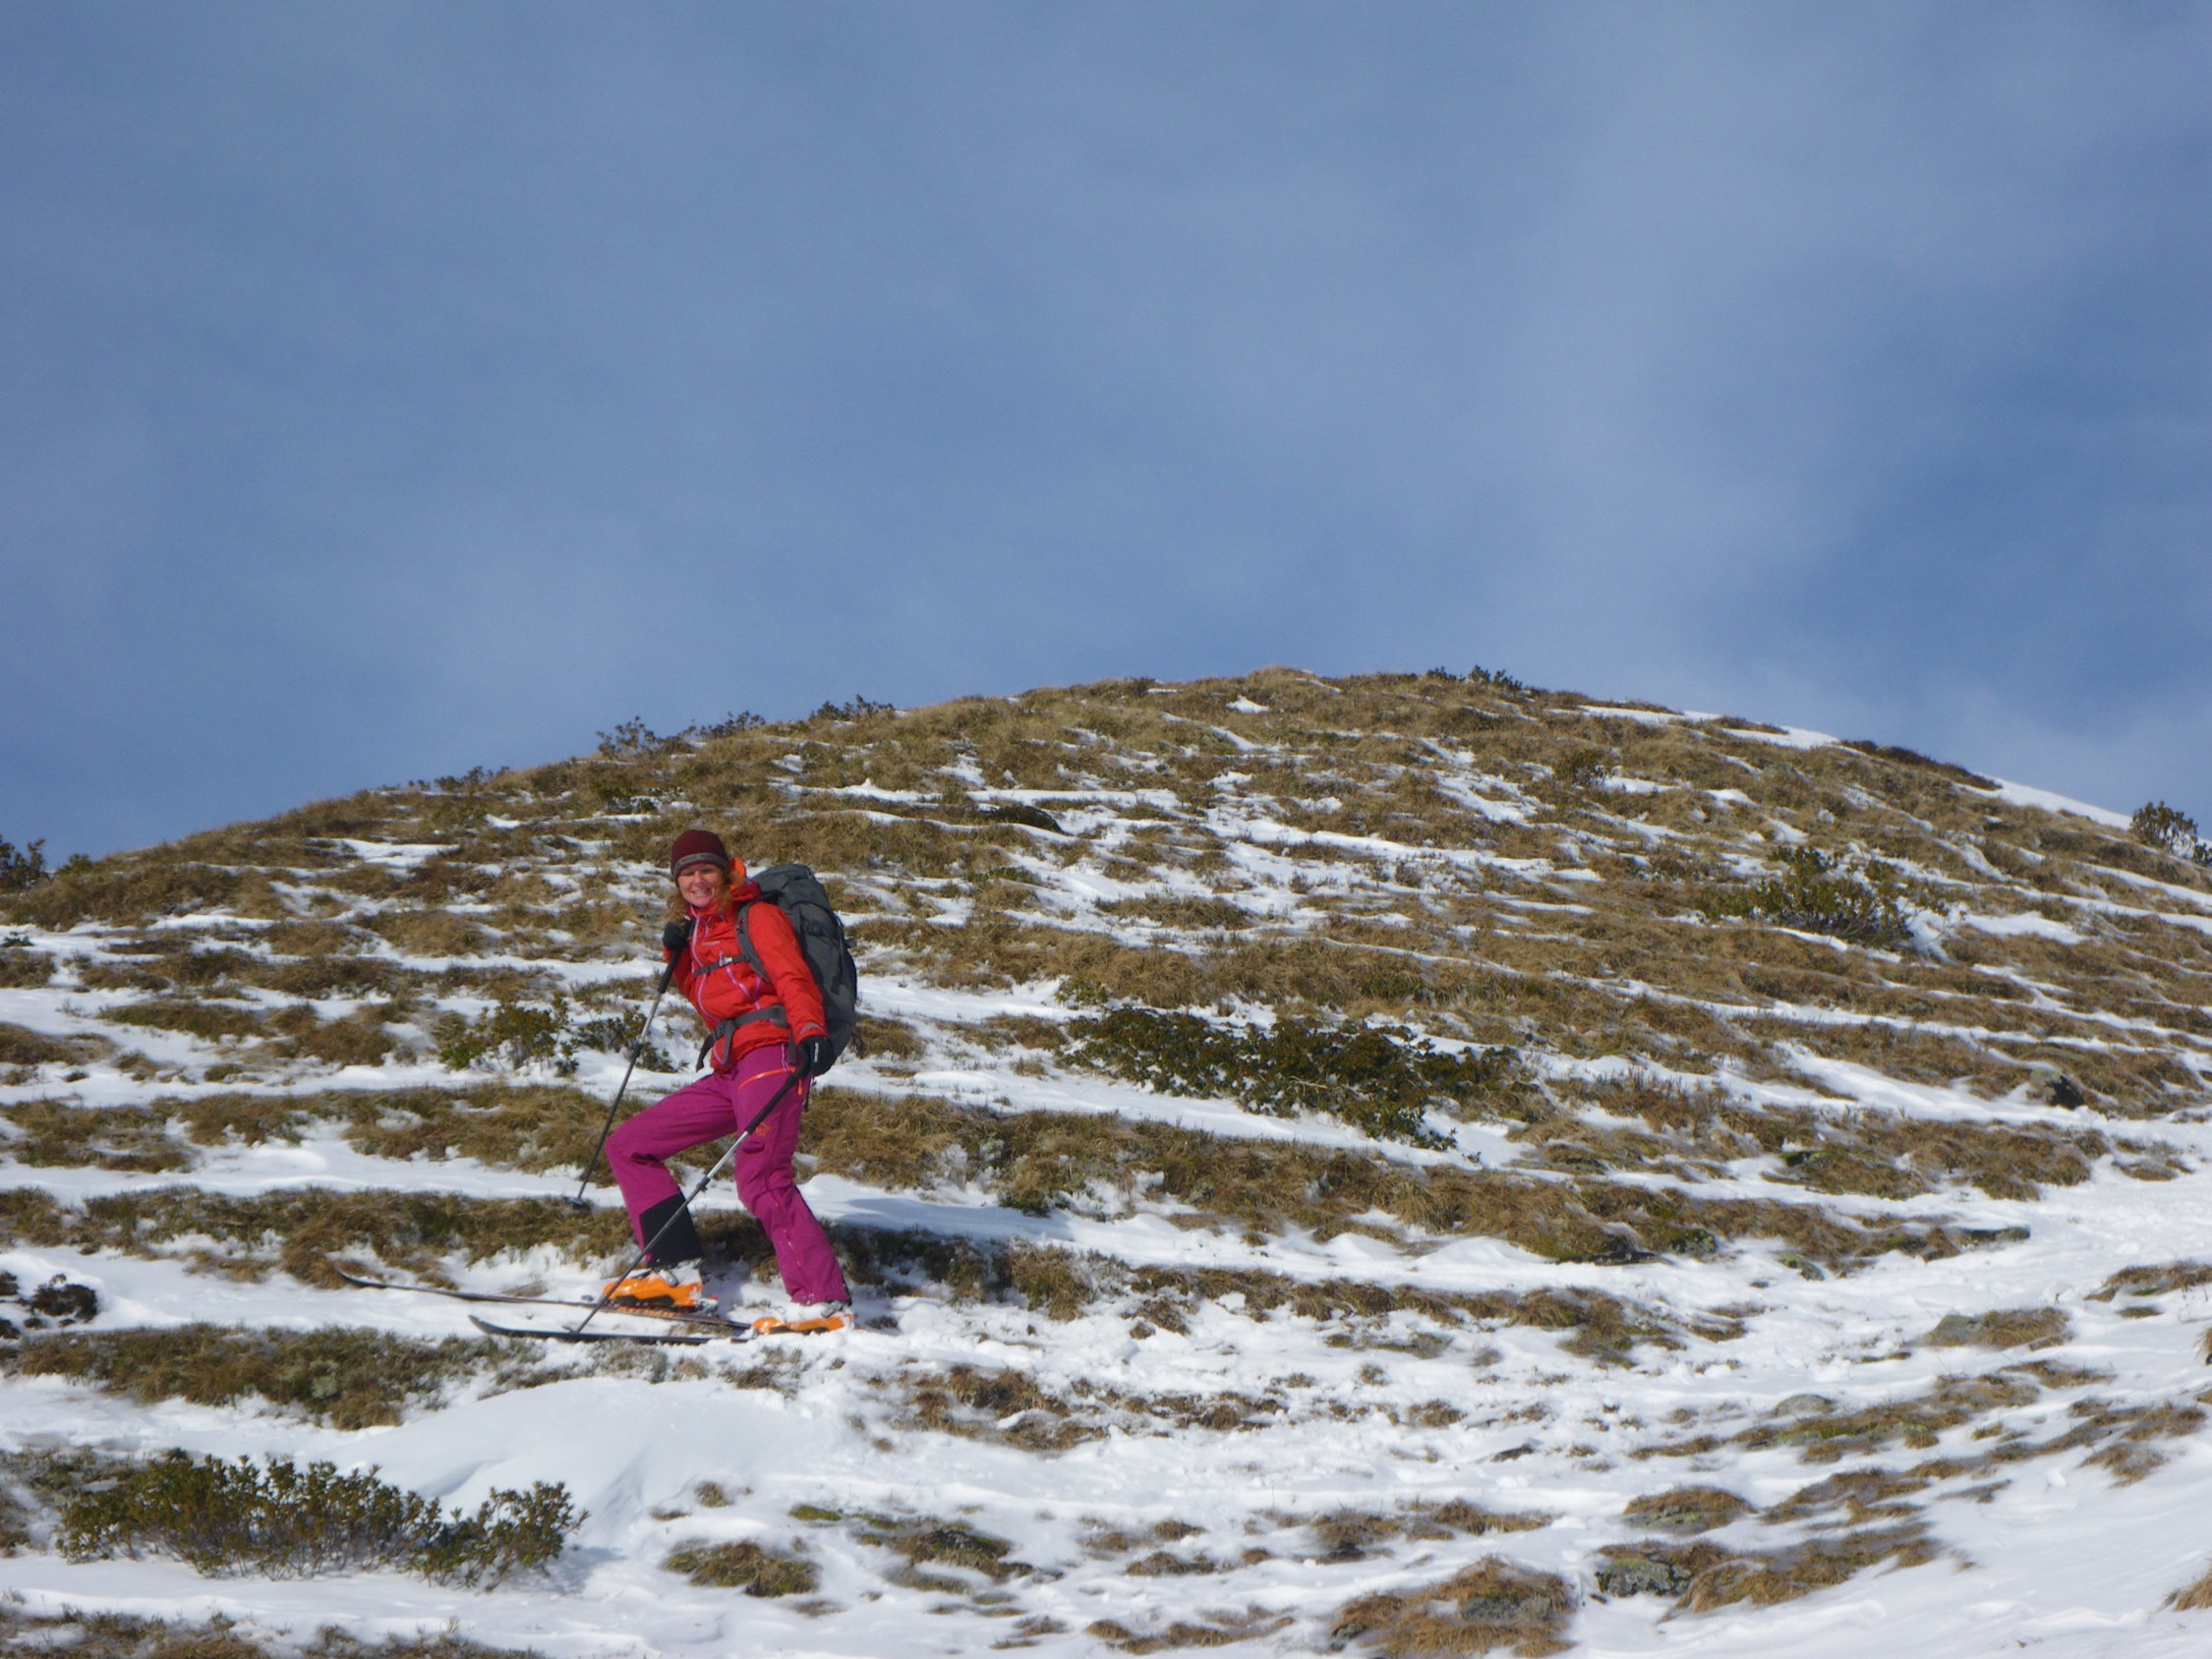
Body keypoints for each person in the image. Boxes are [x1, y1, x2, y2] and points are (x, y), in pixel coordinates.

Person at [602, 829, 851, 1333]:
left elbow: (792, 977)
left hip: (773, 1055)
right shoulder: (697, 933)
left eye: (706, 870)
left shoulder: (756, 916)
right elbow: (711, 1005)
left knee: (762, 1178)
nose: (697, 879)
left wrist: (809, 1031)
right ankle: (673, 1273)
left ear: (725, 871)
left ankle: (824, 1303)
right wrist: (680, 963)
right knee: (630, 1145)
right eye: (686, 873)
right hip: (731, 1065)